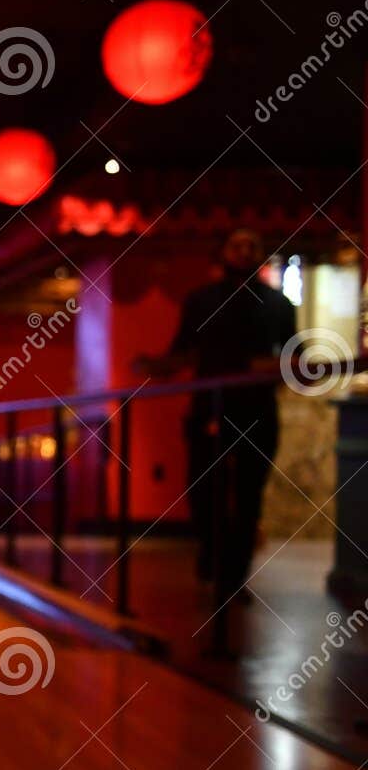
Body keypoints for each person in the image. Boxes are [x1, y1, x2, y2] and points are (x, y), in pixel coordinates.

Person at [134, 229, 295, 601]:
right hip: (210, 408)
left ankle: (233, 578)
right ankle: (215, 558)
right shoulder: (201, 300)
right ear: (222, 252)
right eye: (237, 245)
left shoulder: (279, 304)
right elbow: (182, 350)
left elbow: (292, 352)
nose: (244, 251)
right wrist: (156, 366)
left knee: (249, 496)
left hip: (258, 409)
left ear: (260, 253)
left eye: (252, 245)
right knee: (203, 491)